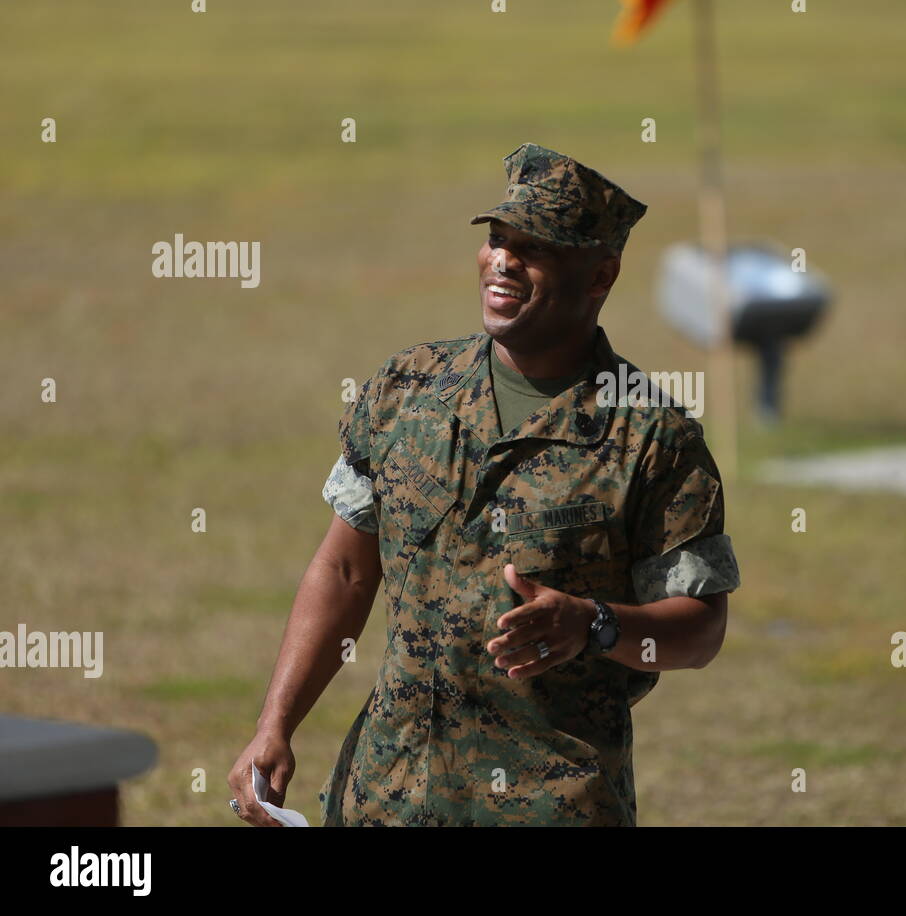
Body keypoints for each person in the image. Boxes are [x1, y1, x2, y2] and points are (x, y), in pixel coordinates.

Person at [227, 143, 740, 826]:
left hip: (550, 806)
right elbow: (347, 569)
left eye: (535, 248)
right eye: (498, 239)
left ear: (601, 275)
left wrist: (594, 623)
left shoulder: (652, 437)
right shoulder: (405, 389)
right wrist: (275, 723)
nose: (502, 260)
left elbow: (700, 631)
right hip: (388, 796)